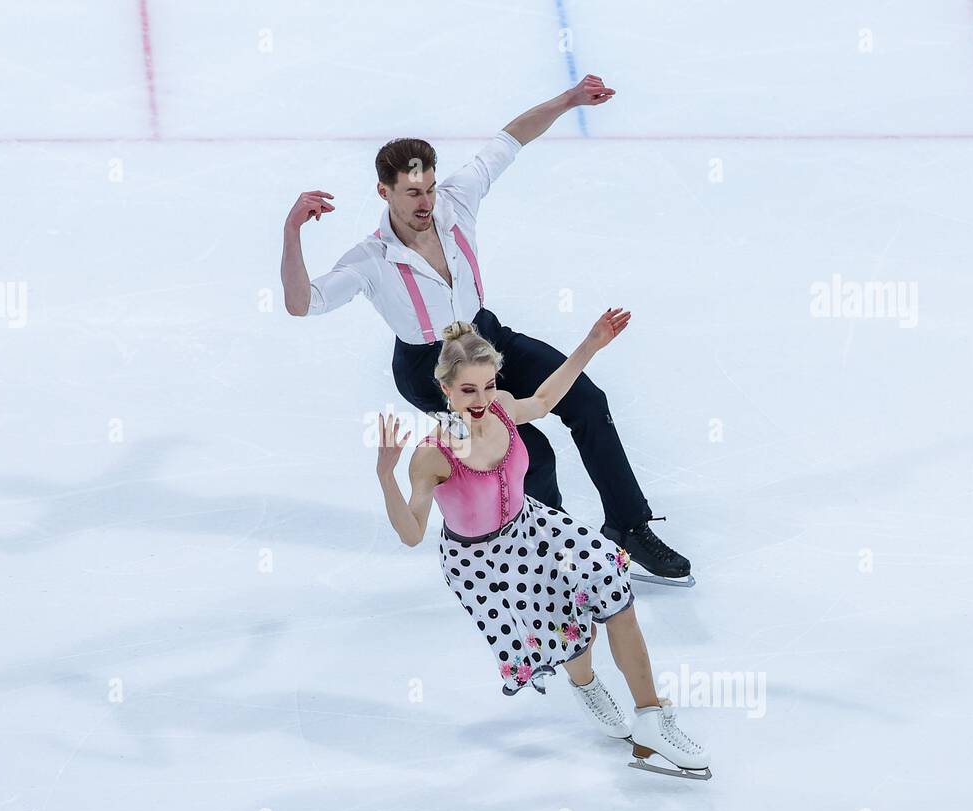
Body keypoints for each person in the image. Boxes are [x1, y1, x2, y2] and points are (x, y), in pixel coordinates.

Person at [281, 74, 694, 585]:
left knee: (588, 401)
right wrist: (292, 231)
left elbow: (513, 137)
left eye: (430, 188)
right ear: (384, 191)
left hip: (484, 337)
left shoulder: (457, 201)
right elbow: (303, 304)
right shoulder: (371, 260)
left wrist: (568, 99)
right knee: (532, 454)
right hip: (433, 369)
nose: (425, 202)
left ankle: (629, 527)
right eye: (412, 193)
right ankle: (552, 556)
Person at [374, 310, 710, 780]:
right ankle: (586, 682)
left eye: (488, 386)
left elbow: (548, 397)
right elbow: (411, 533)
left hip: (533, 527)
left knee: (611, 582)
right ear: (445, 390)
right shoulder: (432, 455)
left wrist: (590, 344)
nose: (481, 400)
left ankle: (651, 718)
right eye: (468, 390)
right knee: (571, 632)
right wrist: (385, 476)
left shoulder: (503, 410)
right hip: (484, 563)